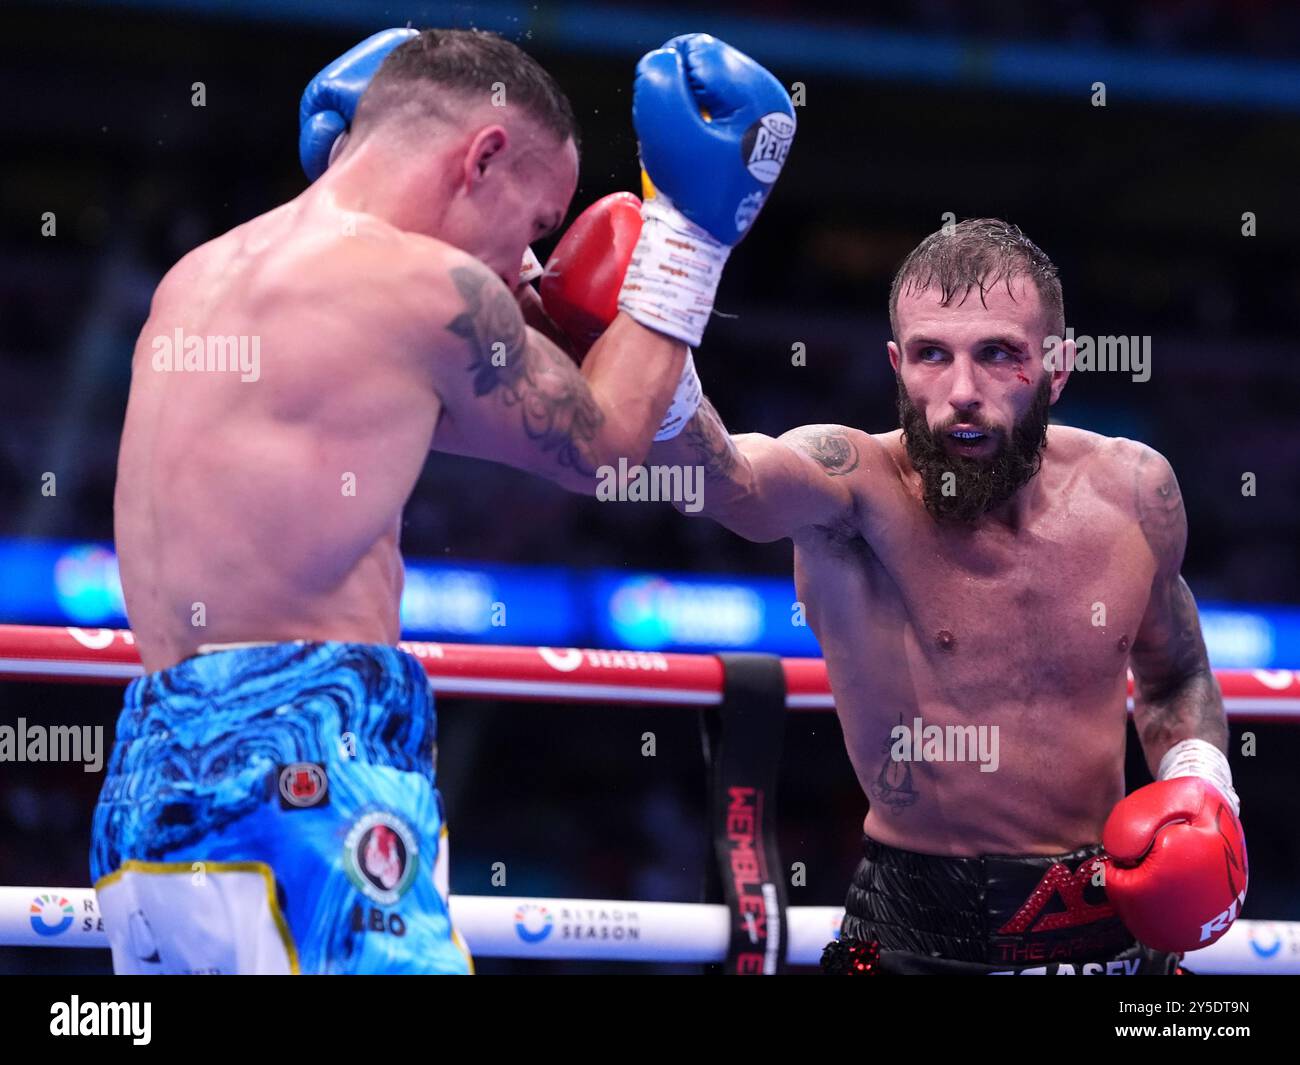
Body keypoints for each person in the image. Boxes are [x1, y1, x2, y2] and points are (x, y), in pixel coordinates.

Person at [90, 27, 794, 974]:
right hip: (307, 776)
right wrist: (690, 237)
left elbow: (493, 391)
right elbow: (614, 446)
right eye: (536, 223)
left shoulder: (200, 278)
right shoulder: (424, 287)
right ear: (484, 157)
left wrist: (547, 313)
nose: (528, 258)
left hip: (150, 787)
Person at [564, 215, 1248, 975]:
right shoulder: (852, 492)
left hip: (1113, 923)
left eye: (997, 355)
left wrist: (1199, 782)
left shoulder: (1135, 489)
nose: (960, 391)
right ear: (897, 363)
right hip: (916, 931)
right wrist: (661, 309)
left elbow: (1175, 673)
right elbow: (733, 481)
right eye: (931, 355)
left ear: (1058, 367)